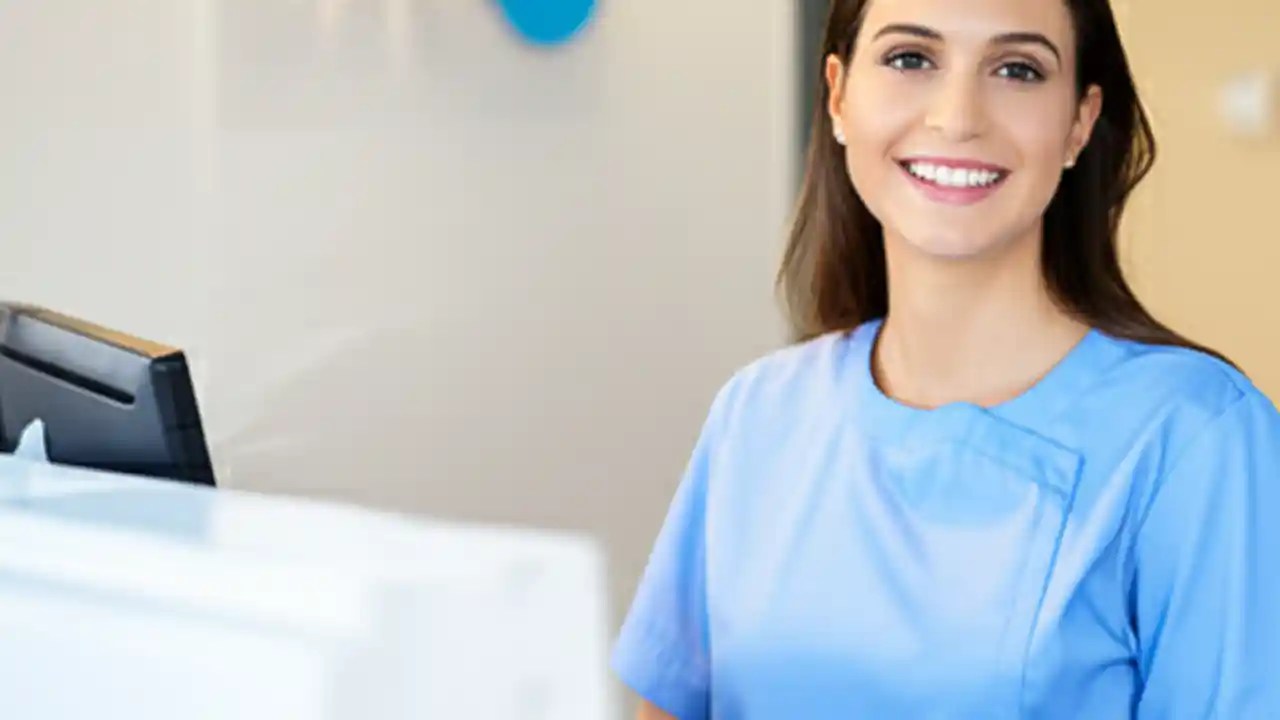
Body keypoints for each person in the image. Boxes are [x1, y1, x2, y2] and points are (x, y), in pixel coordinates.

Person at [611, 0, 1280, 717]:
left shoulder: (1197, 435)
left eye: (1017, 69)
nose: (958, 116)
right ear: (837, 95)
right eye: (910, 59)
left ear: (1080, 123)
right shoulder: (760, 412)